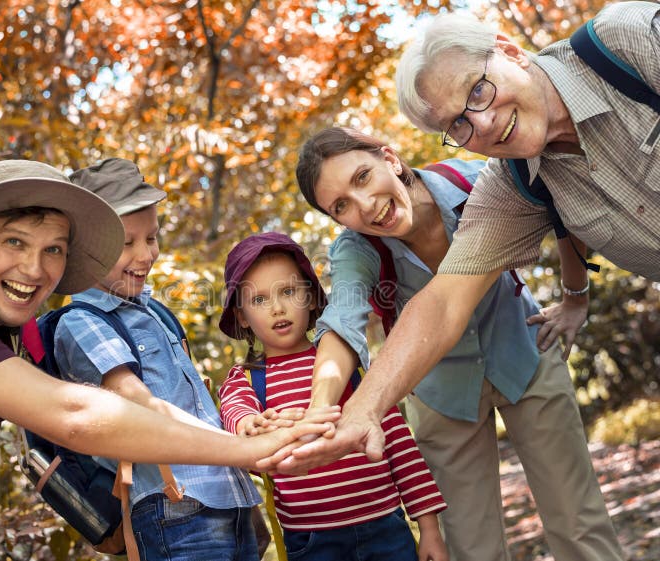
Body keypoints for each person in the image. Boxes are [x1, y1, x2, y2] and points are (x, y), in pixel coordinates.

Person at [0, 159, 339, 561]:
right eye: (14, 242)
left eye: (54, 250)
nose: (34, 269)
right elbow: (73, 415)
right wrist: (253, 451)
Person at [273, 0, 658, 488]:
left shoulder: (628, 43)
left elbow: (565, 231)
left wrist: (575, 297)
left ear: (509, 51)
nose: (483, 122)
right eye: (456, 124)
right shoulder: (512, 184)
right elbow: (440, 304)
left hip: (524, 365)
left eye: (478, 89)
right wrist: (356, 411)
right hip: (446, 395)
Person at [281, 127, 624, 561]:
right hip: (441, 394)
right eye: (341, 206)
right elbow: (343, 317)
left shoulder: (477, 183)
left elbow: (556, 210)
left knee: (579, 523)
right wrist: (321, 408)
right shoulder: (356, 249)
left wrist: (576, 298)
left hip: (523, 354)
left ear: (390, 158)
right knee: (471, 547)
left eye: (363, 177)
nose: (364, 207)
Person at [54, 157, 263, 561]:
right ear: (85, 249)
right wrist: (241, 451)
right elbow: (139, 406)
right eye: (126, 242)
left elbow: (196, 409)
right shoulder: (82, 322)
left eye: (151, 237)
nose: (146, 254)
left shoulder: (154, 313)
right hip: (173, 506)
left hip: (226, 497)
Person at [217, 232, 448, 561]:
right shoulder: (248, 380)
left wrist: (429, 528)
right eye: (259, 300)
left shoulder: (346, 365)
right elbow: (236, 415)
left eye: (288, 291)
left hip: (384, 526)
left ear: (310, 297)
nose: (278, 308)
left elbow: (399, 444)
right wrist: (250, 424)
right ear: (241, 316)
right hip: (311, 540)